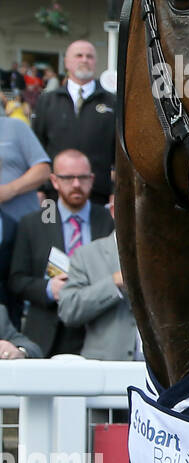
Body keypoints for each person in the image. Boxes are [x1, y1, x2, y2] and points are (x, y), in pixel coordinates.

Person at [8, 150, 114, 357]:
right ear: (54, 181)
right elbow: (16, 280)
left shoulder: (109, 221)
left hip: (98, 330)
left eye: (82, 177)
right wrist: (49, 288)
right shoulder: (32, 224)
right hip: (46, 332)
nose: (76, 184)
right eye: (68, 178)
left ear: (92, 180)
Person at [31, 40, 115, 206]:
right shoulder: (47, 101)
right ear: (66, 62)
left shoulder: (113, 103)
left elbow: (121, 155)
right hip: (53, 196)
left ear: (95, 62)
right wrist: (39, 189)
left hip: (99, 196)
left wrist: (115, 192)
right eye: (79, 55)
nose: (84, 60)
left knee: (98, 234)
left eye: (89, 56)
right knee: (50, 231)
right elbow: (37, 148)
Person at [57, 217, 138, 361]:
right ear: (113, 210)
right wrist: (114, 283)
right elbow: (68, 309)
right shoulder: (86, 254)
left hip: (161, 371)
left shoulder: (167, 253)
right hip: (106, 366)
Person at [0, 116, 52, 325]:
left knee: (22, 289)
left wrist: (9, 190)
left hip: (22, 228)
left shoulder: (14, 127)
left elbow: (43, 169)